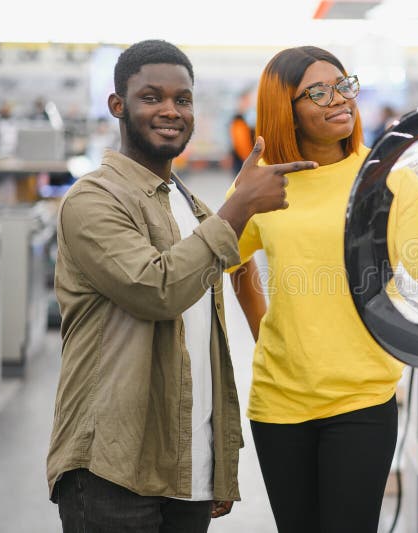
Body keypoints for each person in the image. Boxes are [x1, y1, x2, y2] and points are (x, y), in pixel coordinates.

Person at [46, 39, 316, 532]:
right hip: (112, 470)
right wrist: (238, 209)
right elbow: (157, 291)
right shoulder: (93, 200)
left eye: (183, 99)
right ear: (118, 105)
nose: (171, 110)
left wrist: (214, 464)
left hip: (185, 469)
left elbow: (203, 338)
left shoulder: (189, 205)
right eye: (152, 97)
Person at [227, 46, 418, 533]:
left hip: (361, 398)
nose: (339, 99)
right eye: (318, 92)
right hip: (278, 401)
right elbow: (232, 259)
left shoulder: (388, 181)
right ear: (287, 109)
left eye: (344, 85)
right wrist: (268, 334)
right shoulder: (266, 185)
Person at [228, 88, 255, 175]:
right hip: (243, 161)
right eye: (246, 100)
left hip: (244, 160)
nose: (249, 103)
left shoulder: (245, 118)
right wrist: (250, 160)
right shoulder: (238, 120)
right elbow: (241, 144)